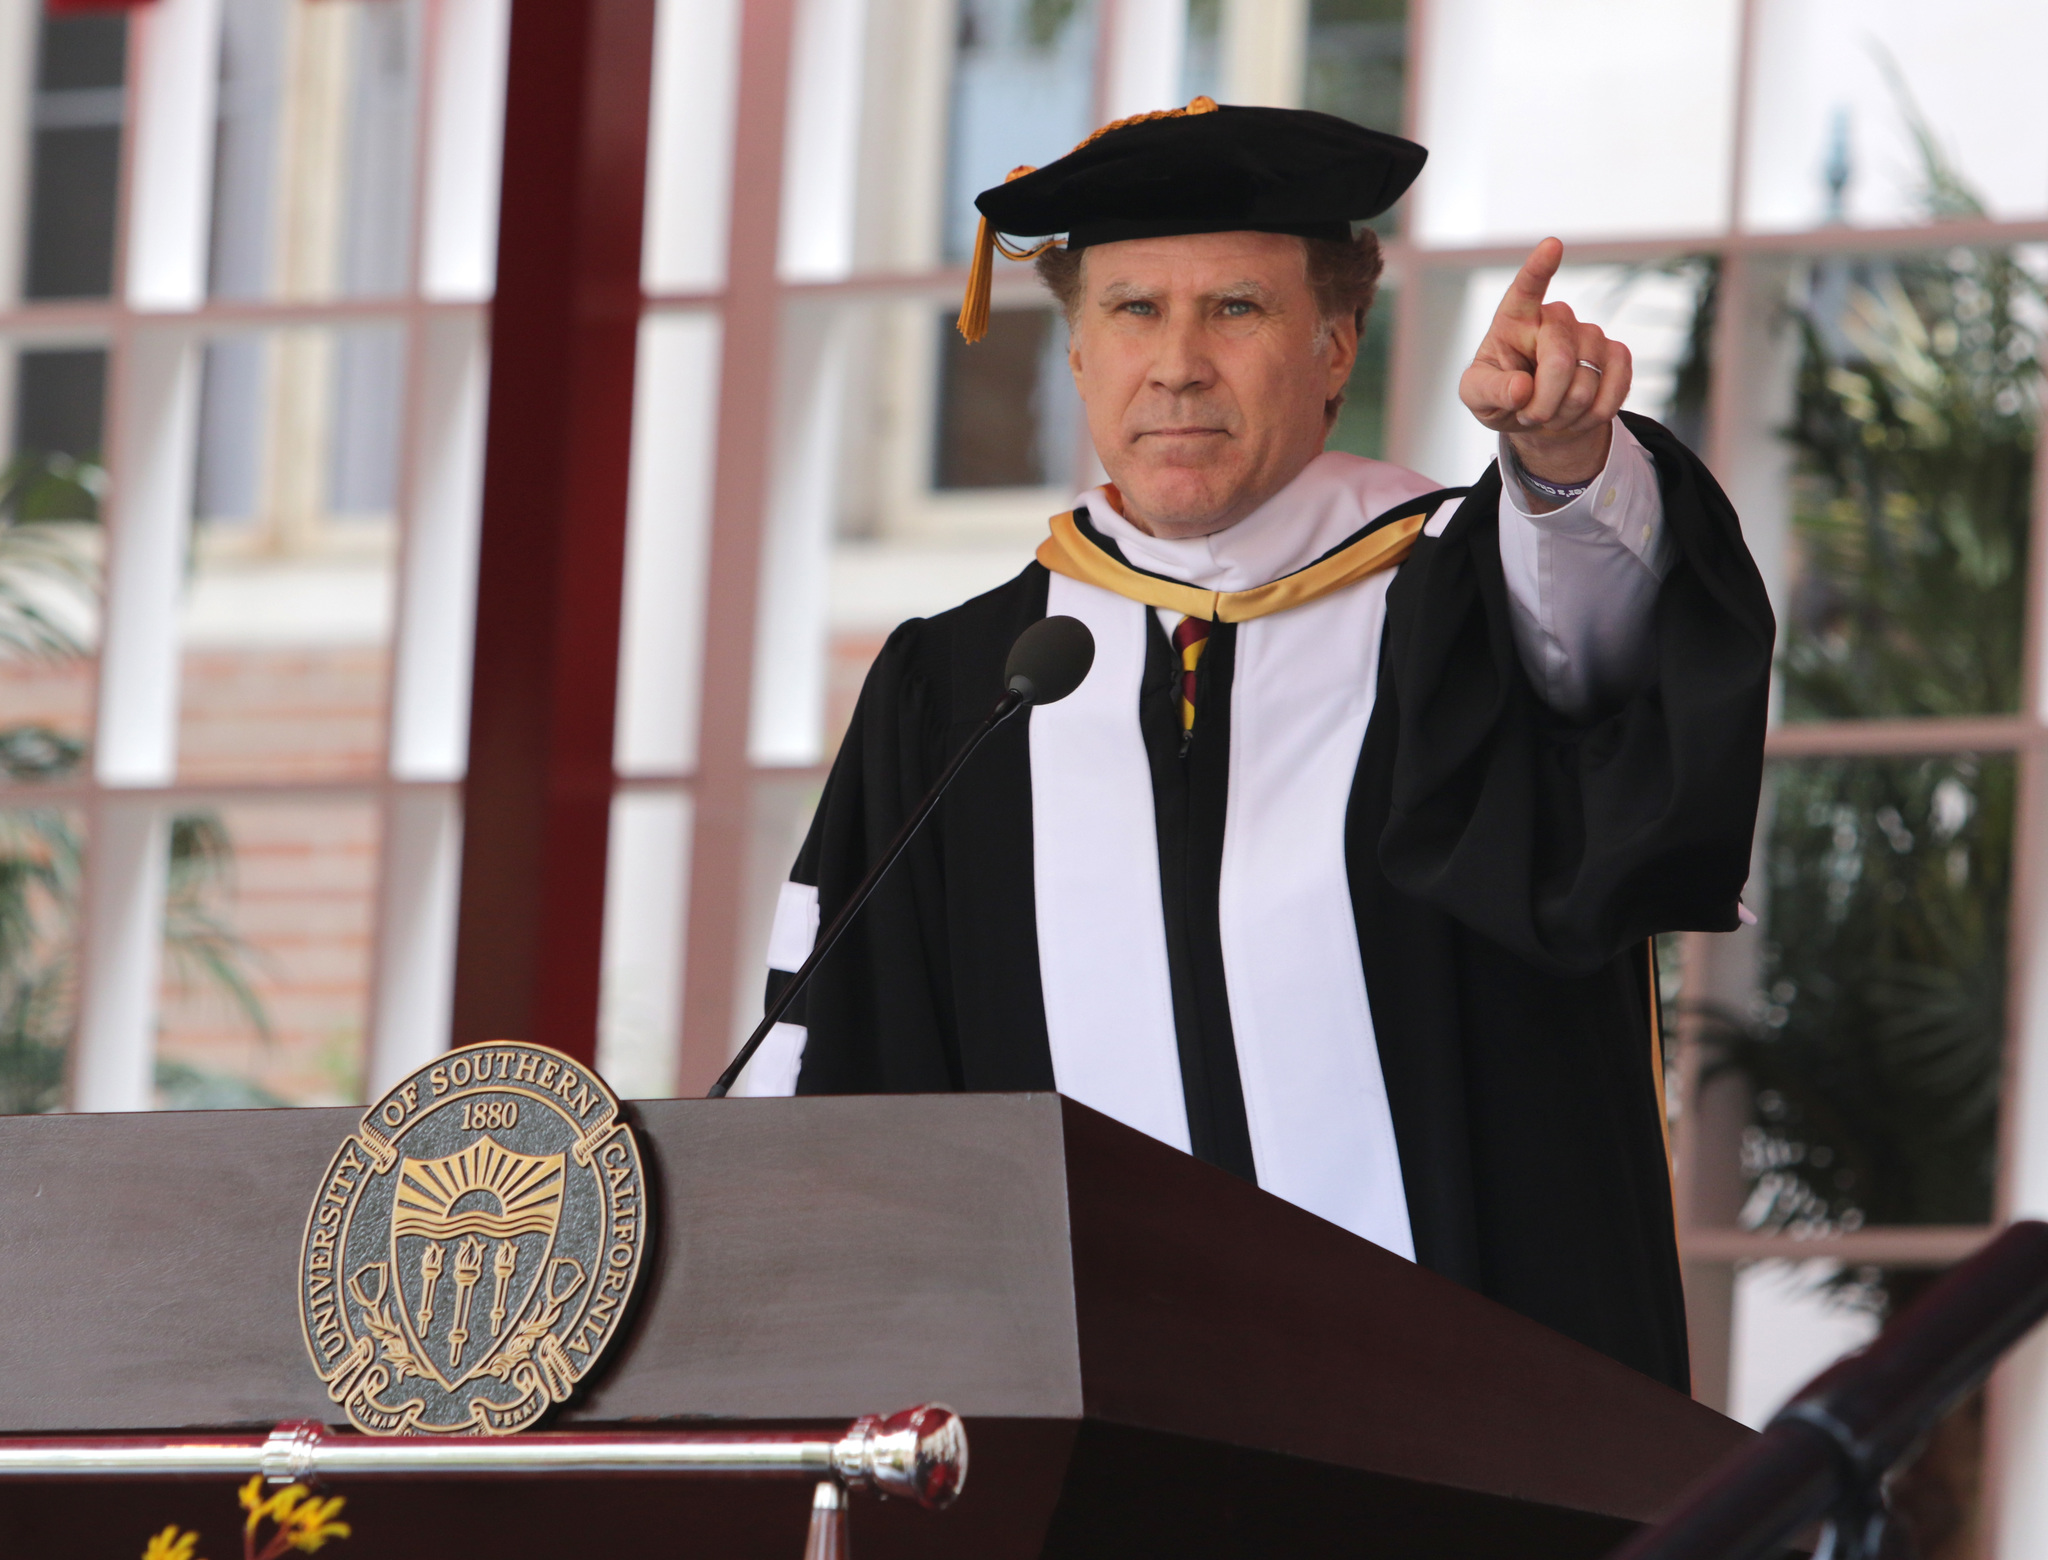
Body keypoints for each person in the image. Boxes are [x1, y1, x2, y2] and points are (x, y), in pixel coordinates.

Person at [742, 99, 1772, 1391]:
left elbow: (1606, 647)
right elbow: (844, 1069)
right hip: (1098, 1433)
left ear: (1336, 348)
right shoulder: (960, 689)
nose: (1177, 366)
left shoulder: (1459, 608)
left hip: (1466, 1419)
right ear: (1077, 353)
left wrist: (1563, 462)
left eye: (1235, 309)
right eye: (1133, 310)